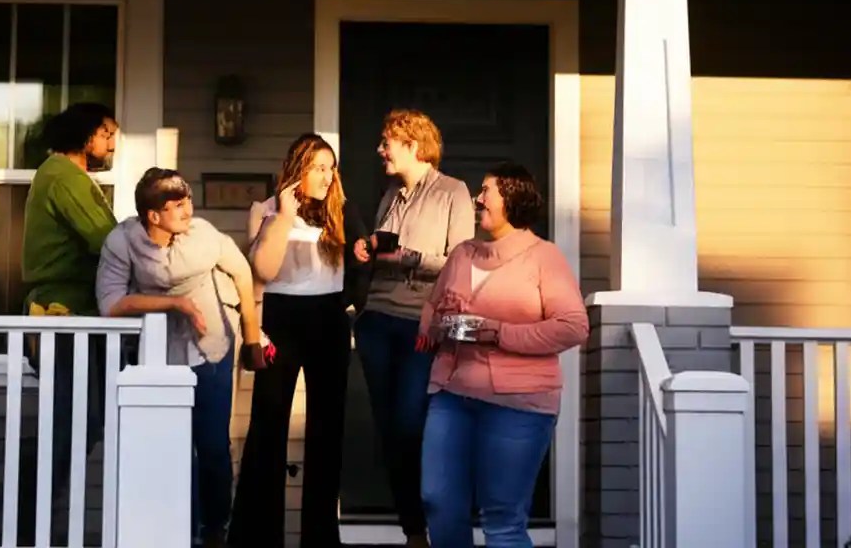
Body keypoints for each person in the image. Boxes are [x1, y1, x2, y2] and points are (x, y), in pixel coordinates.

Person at [416, 162, 588, 548]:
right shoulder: (462, 254)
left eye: (486, 190)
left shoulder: (544, 257)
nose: (478, 199)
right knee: (438, 502)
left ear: (511, 198)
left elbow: (573, 326)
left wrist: (497, 332)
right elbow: (433, 306)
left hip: (518, 404)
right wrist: (435, 324)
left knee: (502, 520)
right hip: (451, 395)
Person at [97, 168, 267, 548]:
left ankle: (214, 530)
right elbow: (110, 304)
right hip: (161, 352)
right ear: (153, 215)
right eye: (176, 203)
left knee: (212, 447)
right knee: (169, 447)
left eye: (187, 198)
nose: (187, 208)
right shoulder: (123, 242)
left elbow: (242, 273)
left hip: (214, 347)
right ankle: (176, 532)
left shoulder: (203, 236)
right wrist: (174, 303)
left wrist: (253, 340)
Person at [228, 134, 365, 548]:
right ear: (298, 169)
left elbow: (363, 262)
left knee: (327, 431)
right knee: (268, 427)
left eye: (330, 167)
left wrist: (352, 307)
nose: (326, 175)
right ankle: (257, 537)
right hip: (282, 320)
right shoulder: (266, 211)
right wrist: (284, 217)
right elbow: (263, 272)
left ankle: (320, 539)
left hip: (328, 322)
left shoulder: (342, 210)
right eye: (318, 167)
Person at [350, 109, 473, 548]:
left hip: (418, 324)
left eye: (387, 142)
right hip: (376, 322)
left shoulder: (453, 193)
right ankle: (414, 533)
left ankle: (438, 521)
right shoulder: (390, 194)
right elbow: (385, 251)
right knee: (388, 429)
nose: (380, 150)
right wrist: (369, 252)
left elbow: (460, 262)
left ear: (413, 146)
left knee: (409, 426)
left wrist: (410, 259)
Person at [19, 102, 119, 506]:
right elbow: (107, 240)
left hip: (77, 313)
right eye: (107, 134)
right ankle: (30, 505)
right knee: (73, 421)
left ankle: (37, 502)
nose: (113, 144)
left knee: (83, 420)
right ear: (86, 136)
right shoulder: (64, 176)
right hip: (61, 313)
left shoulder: (66, 174)